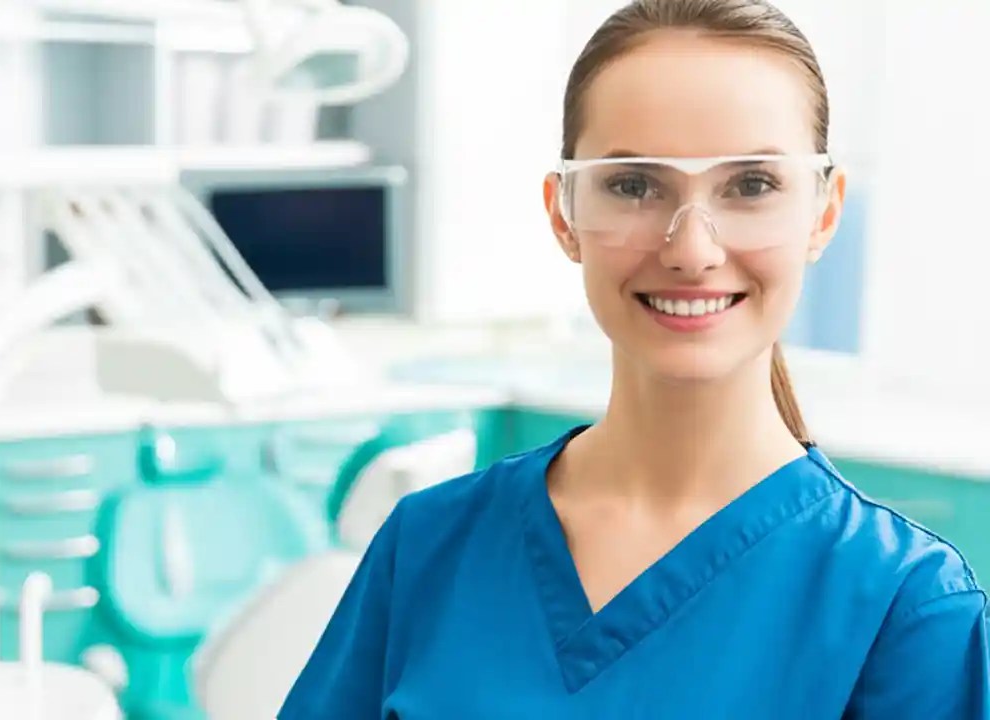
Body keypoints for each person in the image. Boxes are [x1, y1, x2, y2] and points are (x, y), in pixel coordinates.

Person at [277, 0, 990, 717]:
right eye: (635, 185)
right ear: (563, 213)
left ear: (824, 213)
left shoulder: (906, 609)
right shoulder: (429, 548)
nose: (691, 250)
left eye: (751, 186)